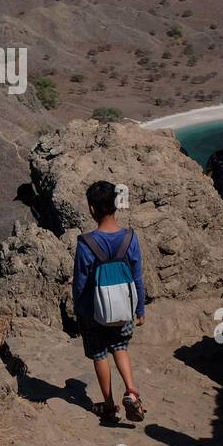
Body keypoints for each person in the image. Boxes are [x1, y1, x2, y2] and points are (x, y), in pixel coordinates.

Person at [72, 180, 147, 425]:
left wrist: (81, 311)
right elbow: (137, 275)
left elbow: (81, 282)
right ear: (116, 205)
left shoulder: (86, 242)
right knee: (120, 347)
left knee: (100, 354)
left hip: (95, 310)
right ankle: (132, 392)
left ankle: (109, 406)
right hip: (124, 307)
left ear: (92, 209)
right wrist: (140, 308)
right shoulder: (130, 237)